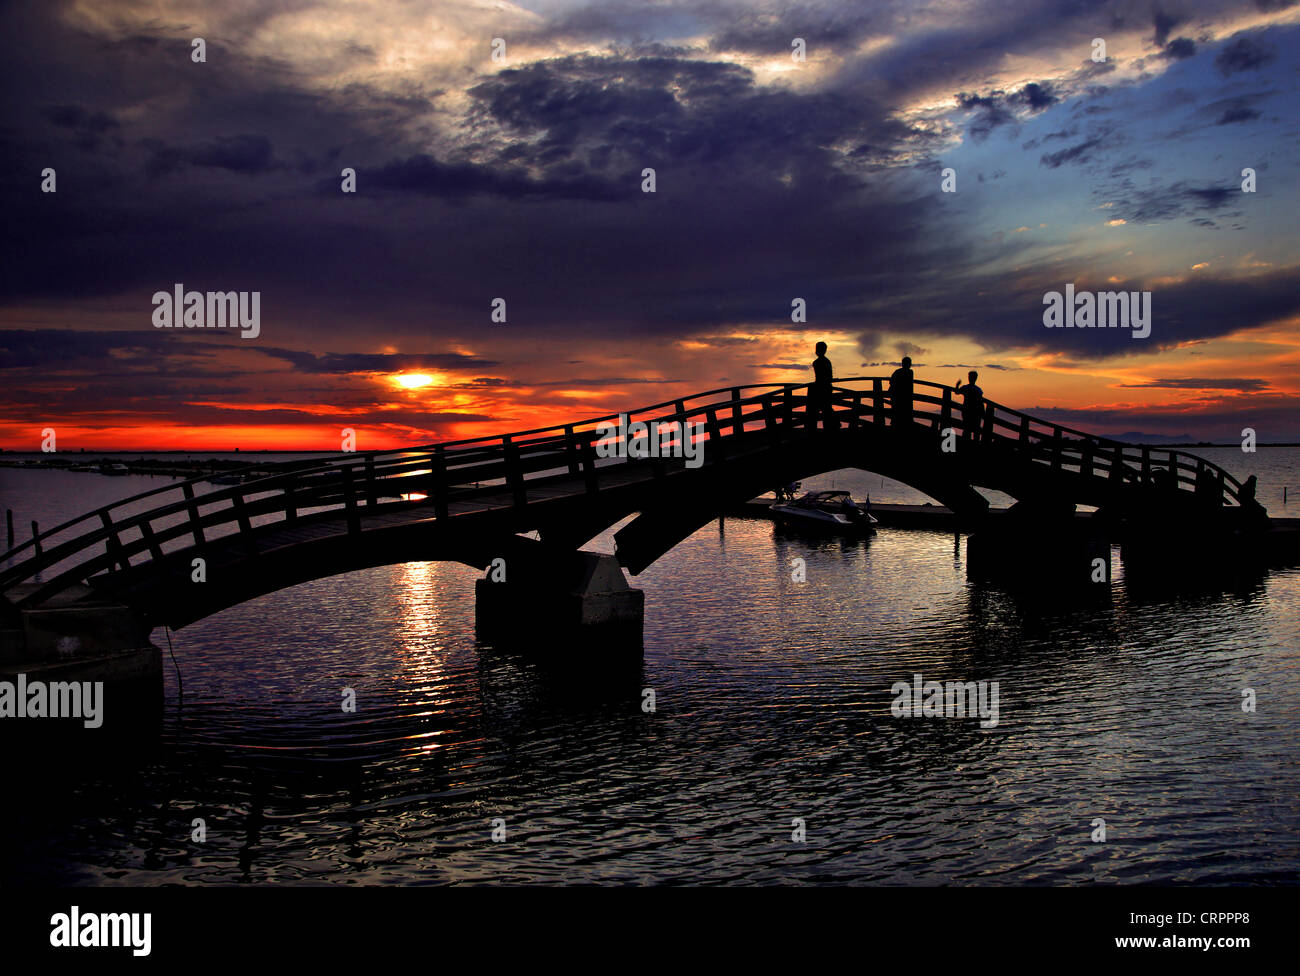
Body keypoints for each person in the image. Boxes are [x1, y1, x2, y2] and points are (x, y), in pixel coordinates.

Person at [809, 341, 838, 429]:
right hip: (826, 388)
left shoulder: (817, 362)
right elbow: (829, 376)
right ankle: (833, 425)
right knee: (826, 408)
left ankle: (830, 426)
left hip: (820, 389)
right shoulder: (827, 361)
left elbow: (820, 377)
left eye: (817, 349)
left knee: (822, 409)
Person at [955, 370, 983, 441]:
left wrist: (957, 385)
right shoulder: (978, 390)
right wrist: (982, 412)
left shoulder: (966, 388)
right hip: (975, 412)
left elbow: (957, 392)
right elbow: (981, 402)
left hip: (967, 411)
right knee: (975, 430)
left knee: (967, 429)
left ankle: (966, 443)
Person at [889, 356, 914, 428]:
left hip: (897, 396)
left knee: (897, 413)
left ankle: (896, 424)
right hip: (900, 397)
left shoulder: (898, 372)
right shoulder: (908, 372)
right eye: (909, 363)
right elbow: (892, 383)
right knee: (900, 412)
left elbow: (891, 382)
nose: (909, 365)